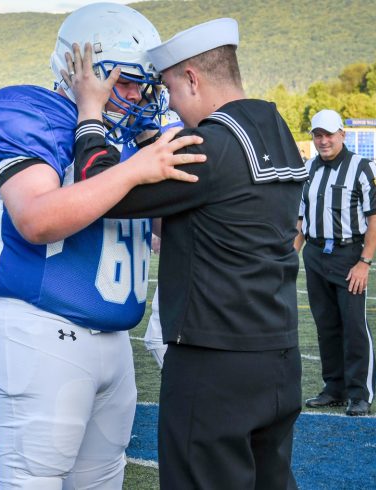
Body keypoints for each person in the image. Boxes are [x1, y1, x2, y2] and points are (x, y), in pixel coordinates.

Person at [72, 17, 308, 489]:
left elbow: (100, 185)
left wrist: (91, 112)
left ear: (194, 79)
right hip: (277, 353)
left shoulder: (208, 143)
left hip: (215, 360)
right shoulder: (274, 127)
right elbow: (209, 201)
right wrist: (145, 140)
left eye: (172, 90)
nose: (170, 106)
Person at [0, 3, 205, 487]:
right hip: (43, 325)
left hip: (114, 336)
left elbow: (164, 232)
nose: (137, 96)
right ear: (80, 69)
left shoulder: (124, 135)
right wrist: (134, 168)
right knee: (33, 478)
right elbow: (37, 219)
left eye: (142, 85)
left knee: (102, 479)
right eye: (123, 82)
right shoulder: (28, 110)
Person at [295, 109, 376, 417]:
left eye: (329, 134)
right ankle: (334, 388)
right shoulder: (308, 169)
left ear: (342, 135)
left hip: (349, 256)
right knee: (326, 325)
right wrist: (291, 256)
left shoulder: (362, 167)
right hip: (316, 254)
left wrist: (364, 262)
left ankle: (360, 393)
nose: (323, 141)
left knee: (354, 325)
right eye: (318, 135)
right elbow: (300, 219)